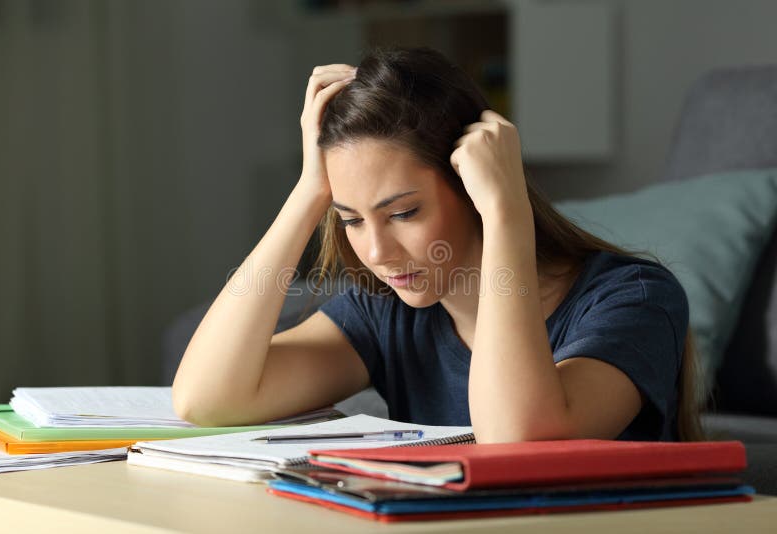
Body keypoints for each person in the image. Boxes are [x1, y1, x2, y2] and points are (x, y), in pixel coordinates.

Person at [172, 46, 706, 443]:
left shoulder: (635, 298)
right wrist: (310, 192)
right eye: (351, 220)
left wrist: (507, 212)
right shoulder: (384, 312)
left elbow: (518, 440)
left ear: (472, 186)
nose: (377, 253)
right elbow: (207, 399)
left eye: (403, 212)